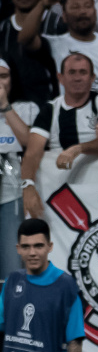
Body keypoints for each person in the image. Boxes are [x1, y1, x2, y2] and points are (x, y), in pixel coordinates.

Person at [20, 53, 98, 219]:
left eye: (83, 72)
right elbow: (32, 153)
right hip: (63, 192)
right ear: (60, 78)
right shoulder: (50, 110)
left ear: (92, 78)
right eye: (72, 72)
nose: (77, 78)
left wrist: (78, 149)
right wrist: (28, 186)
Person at [0, 218, 85, 352]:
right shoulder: (12, 281)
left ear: (49, 247)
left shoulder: (67, 286)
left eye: (38, 246)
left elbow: (75, 342)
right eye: (26, 246)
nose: (32, 252)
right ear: (18, 249)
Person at [18, 0, 98, 98]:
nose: (82, 12)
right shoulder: (54, 44)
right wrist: (43, 4)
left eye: (87, 6)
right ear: (64, 16)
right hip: (72, 112)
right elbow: (25, 39)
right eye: (75, 7)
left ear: (95, 13)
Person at [0, 60, 37, 277]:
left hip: (11, 197)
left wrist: (5, 106)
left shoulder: (27, 109)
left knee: (12, 267)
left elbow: (30, 144)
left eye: (3, 76)